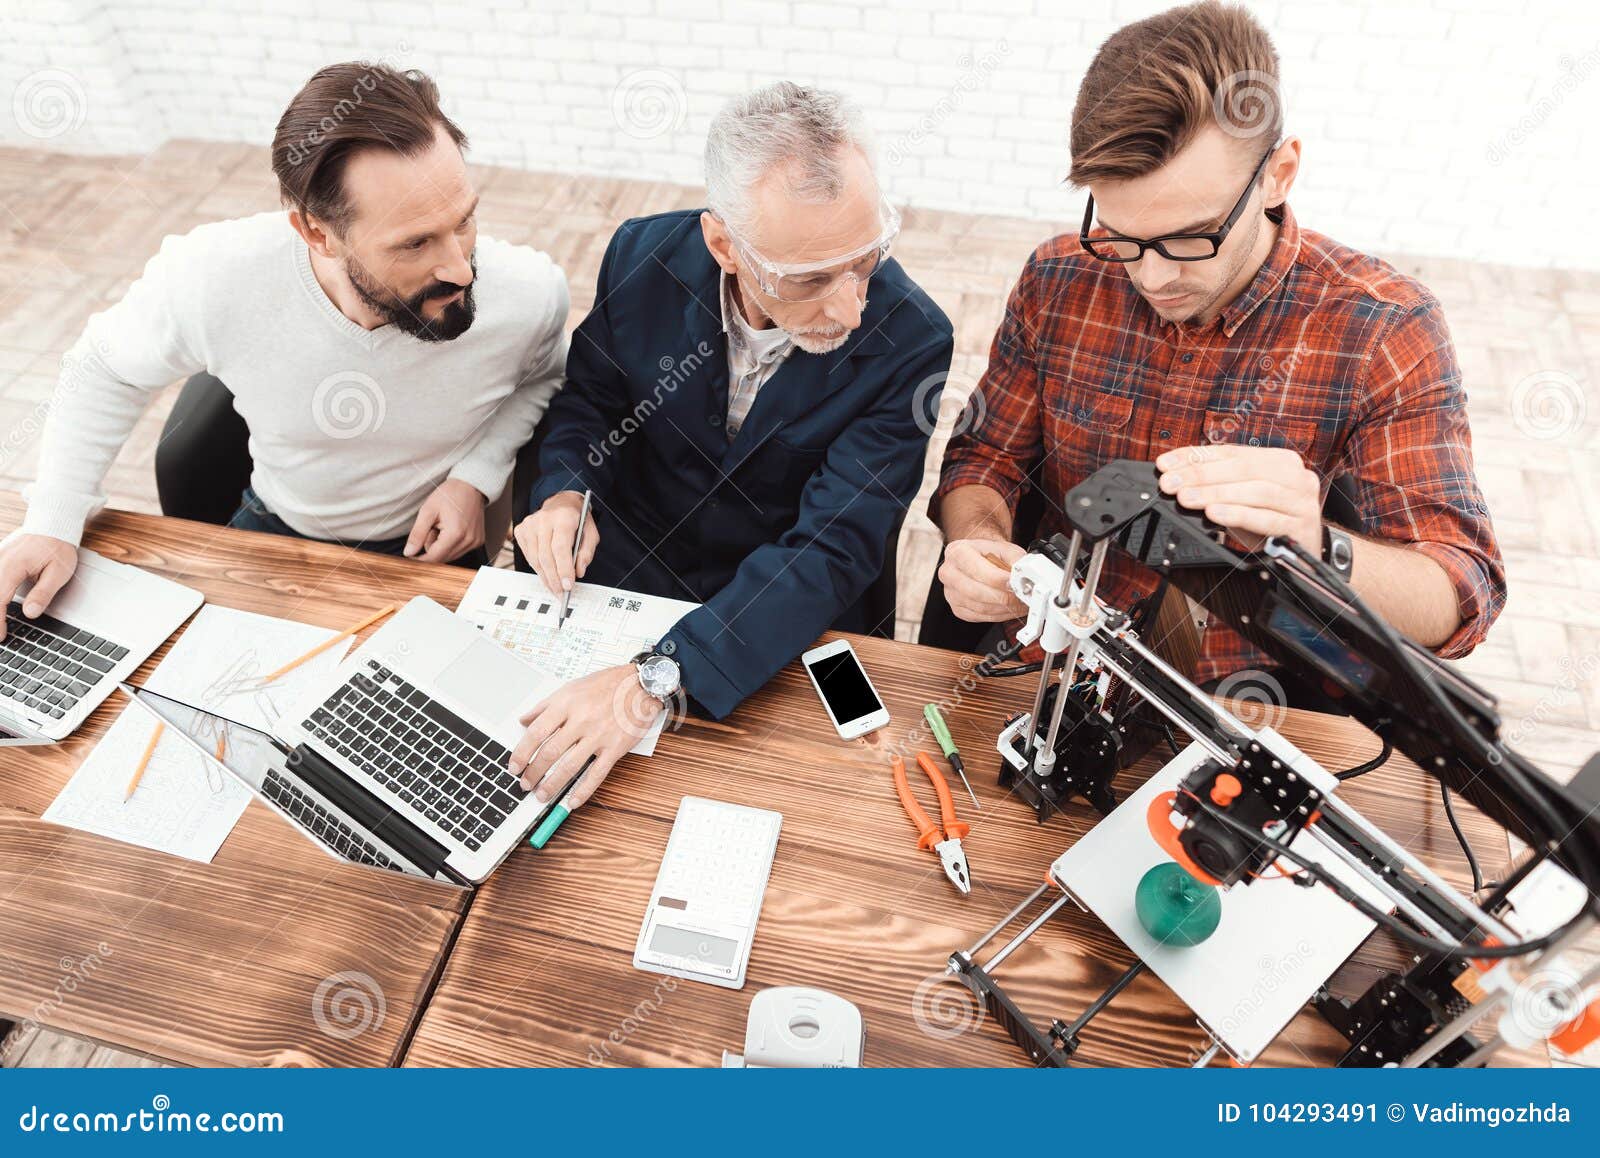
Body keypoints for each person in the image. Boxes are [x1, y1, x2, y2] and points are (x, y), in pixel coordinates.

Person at [931, 1, 1504, 701]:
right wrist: (980, 544)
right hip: (1054, 666)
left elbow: (1462, 591)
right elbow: (984, 457)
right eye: (1122, 237)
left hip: (1246, 702)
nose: (1152, 276)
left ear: (1278, 174)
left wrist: (1319, 547)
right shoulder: (1059, 278)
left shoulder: (1385, 327)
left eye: (1191, 237)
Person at [0, 62, 569, 637]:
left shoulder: (528, 294)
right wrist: (53, 520)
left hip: (431, 546)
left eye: (464, 220)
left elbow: (543, 379)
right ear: (318, 234)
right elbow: (104, 368)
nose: (459, 268)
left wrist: (474, 478)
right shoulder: (216, 276)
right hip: (279, 525)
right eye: (415, 242)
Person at [507, 81, 953, 808]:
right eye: (809, 277)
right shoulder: (639, 255)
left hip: (785, 622)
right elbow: (590, 403)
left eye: (868, 258)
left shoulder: (914, 337)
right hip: (625, 581)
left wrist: (654, 676)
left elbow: (831, 549)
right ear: (725, 245)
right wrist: (563, 491)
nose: (851, 305)